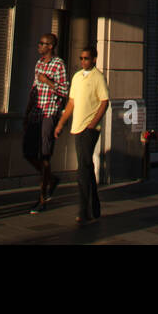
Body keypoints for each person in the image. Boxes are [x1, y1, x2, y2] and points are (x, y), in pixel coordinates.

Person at [54, 44, 109, 225]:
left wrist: (93, 124)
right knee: (86, 166)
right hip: (77, 127)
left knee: (82, 169)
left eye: (86, 58)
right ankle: (95, 207)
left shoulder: (98, 77)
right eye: (81, 58)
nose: (83, 61)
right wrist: (61, 123)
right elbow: (71, 102)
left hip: (89, 129)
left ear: (94, 59)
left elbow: (104, 102)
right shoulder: (77, 77)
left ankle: (83, 210)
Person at [23, 31, 68, 214]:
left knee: (44, 155)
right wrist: (27, 112)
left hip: (49, 114)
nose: (39, 46)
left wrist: (48, 81)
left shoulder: (58, 65)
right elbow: (34, 88)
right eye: (39, 43)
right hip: (36, 114)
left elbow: (64, 90)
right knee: (28, 152)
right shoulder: (39, 64)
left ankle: (42, 199)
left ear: (51, 46)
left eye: (42, 43)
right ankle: (50, 179)